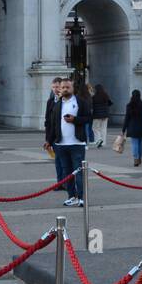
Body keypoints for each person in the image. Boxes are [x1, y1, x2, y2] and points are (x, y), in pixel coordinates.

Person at [48, 77, 91, 207]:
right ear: (59, 89)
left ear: (72, 88)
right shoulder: (57, 105)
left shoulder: (80, 102)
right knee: (67, 173)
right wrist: (49, 141)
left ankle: (82, 197)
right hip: (61, 144)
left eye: (68, 87)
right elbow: (53, 125)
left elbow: (88, 118)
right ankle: (71, 196)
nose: (65, 89)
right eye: (63, 87)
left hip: (77, 143)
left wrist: (75, 119)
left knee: (78, 172)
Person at [43, 77, 66, 189]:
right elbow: (47, 121)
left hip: (64, 135)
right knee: (57, 161)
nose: (55, 89)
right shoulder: (50, 101)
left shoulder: (66, 101)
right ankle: (60, 182)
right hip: (54, 136)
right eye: (53, 87)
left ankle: (66, 182)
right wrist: (47, 139)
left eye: (57, 87)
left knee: (64, 161)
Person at [121, 89, 142, 168]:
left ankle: (136, 159)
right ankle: (140, 158)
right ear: (140, 95)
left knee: (134, 144)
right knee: (140, 144)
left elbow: (127, 118)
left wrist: (123, 129)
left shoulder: (129, 105)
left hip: (132, 127)